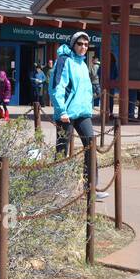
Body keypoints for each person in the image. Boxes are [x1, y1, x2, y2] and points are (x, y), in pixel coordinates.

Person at [51, 31, 106, 199]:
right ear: (73, 44)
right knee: (62, 149)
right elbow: (57, 87)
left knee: (91, 146)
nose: (83, 47)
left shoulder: (83, 64)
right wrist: (62, 111)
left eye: (85, 44)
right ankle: (57, 187)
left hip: (82, 113)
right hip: (66, 114)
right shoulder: (64, 61)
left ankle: (90, 188)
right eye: (80, 44)